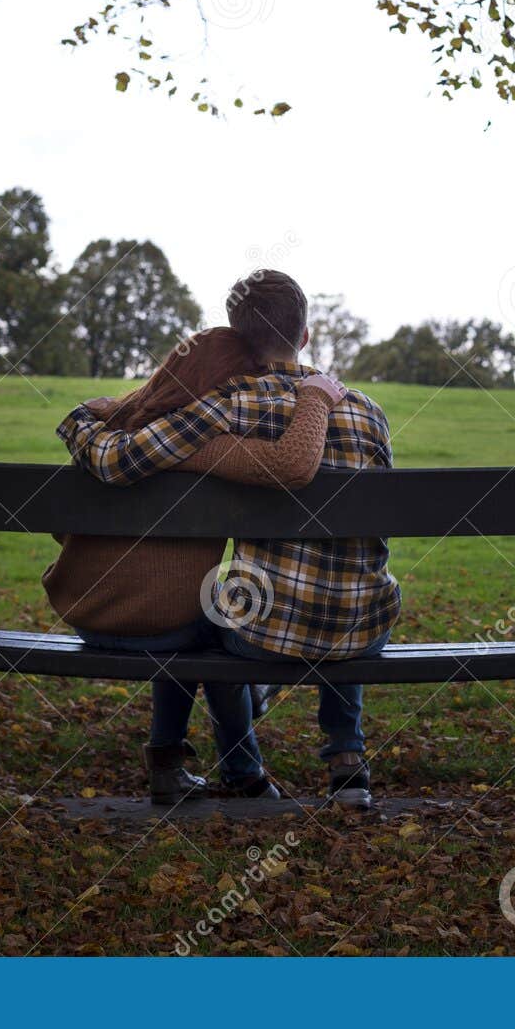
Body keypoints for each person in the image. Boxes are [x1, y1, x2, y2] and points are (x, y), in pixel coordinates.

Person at [57, 271, 399, 809]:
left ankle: (242, 770)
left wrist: (86, 419)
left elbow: (125, 458)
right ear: (305, 335)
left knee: (209, 619)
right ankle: (347, 763)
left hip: (263, 631)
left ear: (240, 340)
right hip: (365, 624)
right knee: (345, 579)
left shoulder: (228, 404)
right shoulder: (366, 410)